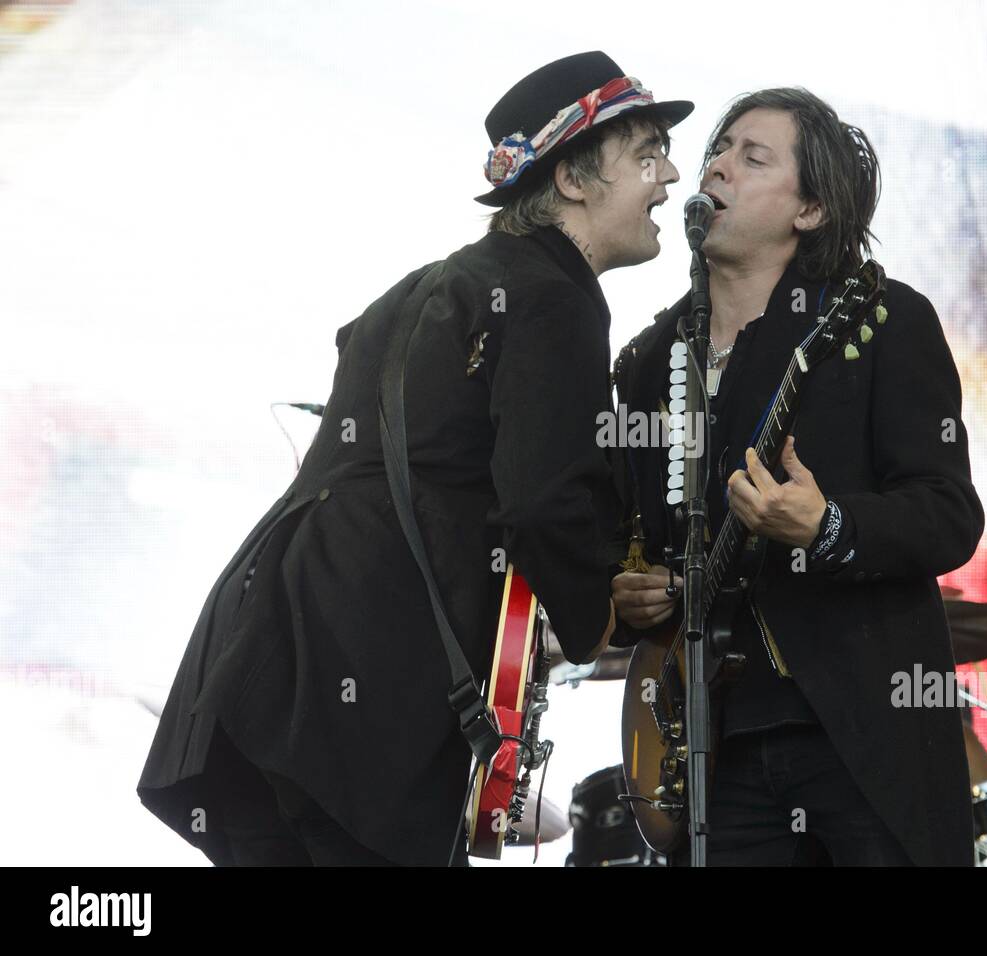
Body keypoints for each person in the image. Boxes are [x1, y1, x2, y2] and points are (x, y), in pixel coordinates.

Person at [138, 51, 691, 866]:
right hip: (356, 709)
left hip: (254, 671)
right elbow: (543, 500)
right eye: (645, 154)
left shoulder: (420, 287)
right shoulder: (552, 296)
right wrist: (595, 617)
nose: (671, 175)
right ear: (572, 179)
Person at [611, 88, 983, 866]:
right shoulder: (649, 363)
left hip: (859, 734)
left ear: (810, 209)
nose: (718, 165)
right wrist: (636, 593)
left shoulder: (881, 321)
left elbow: (948, 513)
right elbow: (643, 540)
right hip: (716, 750)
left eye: (753, 157)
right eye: (718, 150)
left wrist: (830, 527)